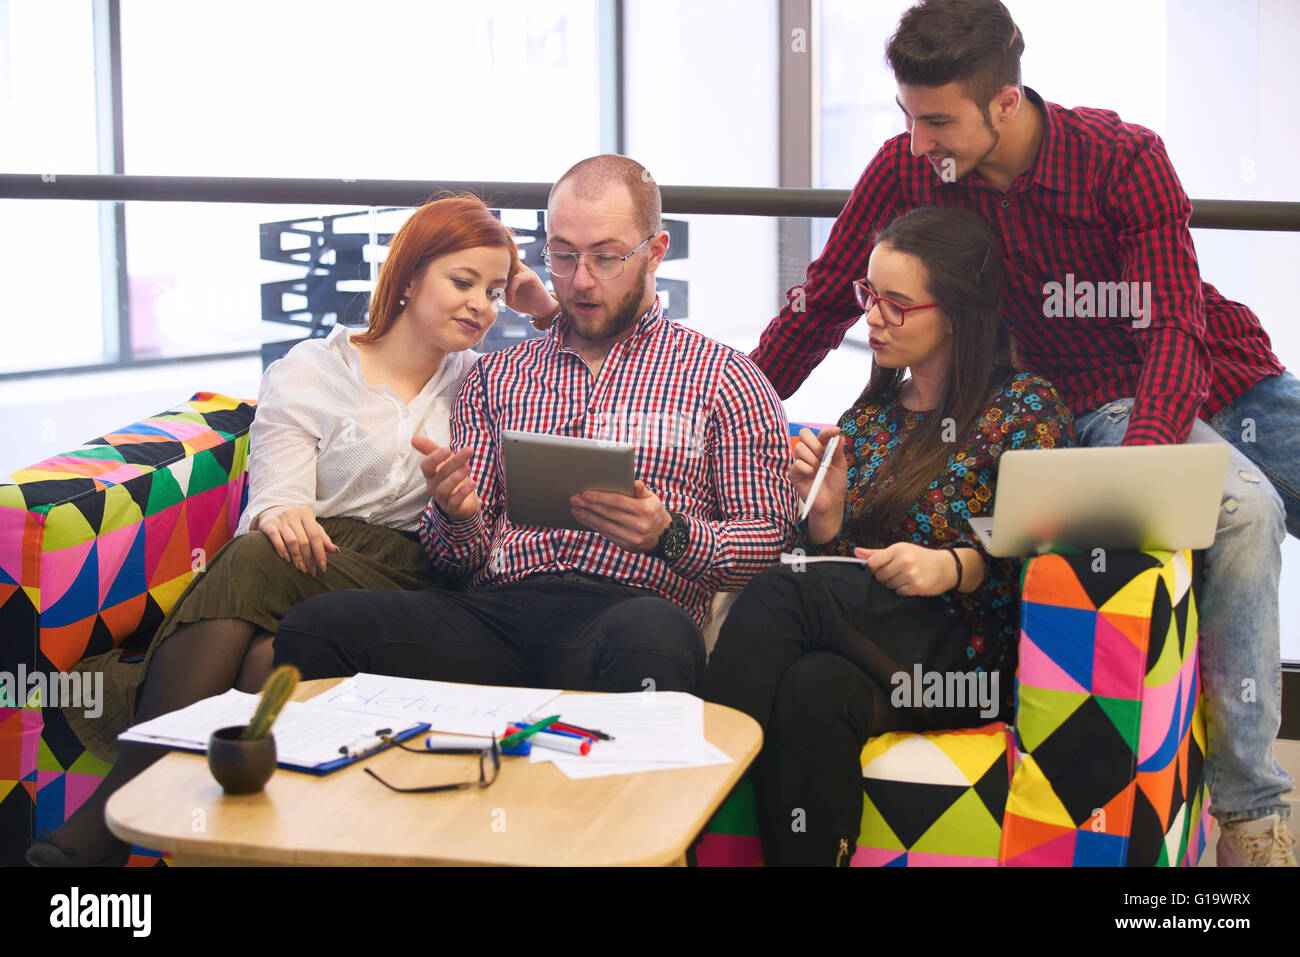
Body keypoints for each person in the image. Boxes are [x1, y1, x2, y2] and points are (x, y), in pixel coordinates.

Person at [749, 0, 1297, 867]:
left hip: (1219, 371)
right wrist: (730, 408)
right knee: (1243, 512)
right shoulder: (910, 168)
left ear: (1005, 103)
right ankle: (1252, 816)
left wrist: (1145, 467)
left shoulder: (1124, 160)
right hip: (1103, 396)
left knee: (1248, 491)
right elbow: (820, 300)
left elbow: (1170, 328)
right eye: (908, 116)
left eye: (937, 120)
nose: (917, 142)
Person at [29, 194, 558, 867]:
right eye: (463, 282)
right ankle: (229, 838)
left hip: (420, 572)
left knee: (256, 561)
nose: (482, 305)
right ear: (409, 274)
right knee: (263, 655)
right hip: (313, 561)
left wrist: (538, 303)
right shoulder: (312, 369)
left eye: (493, 290)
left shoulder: (482, 381)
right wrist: (283, 512)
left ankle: (119, 802)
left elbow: (586, 341)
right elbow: (276, 498)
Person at [273, 154, 795, 693]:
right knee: (318, 627)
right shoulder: (497, 376)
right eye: (563, 256)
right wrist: (457, 514)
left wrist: (672, 536)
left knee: (654, 637)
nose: (581, 281)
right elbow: (456, 559)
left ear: (656, 252)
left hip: (627, 614)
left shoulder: (726, 379)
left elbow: (770, 542)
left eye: (607, 258)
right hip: (495, 613)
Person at [702, 204, 1073, 865]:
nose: (871, 316)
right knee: (813, 689)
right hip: (883, 651)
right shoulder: (870, 417)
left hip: (969, 655)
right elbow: (841, 574)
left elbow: (1043, 551)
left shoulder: (1025, 407)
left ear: (956, 313)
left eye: (896, 303)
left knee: (785, 594)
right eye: (868, 294)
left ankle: (687, 791)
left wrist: (955, 565)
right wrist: (828, 520)